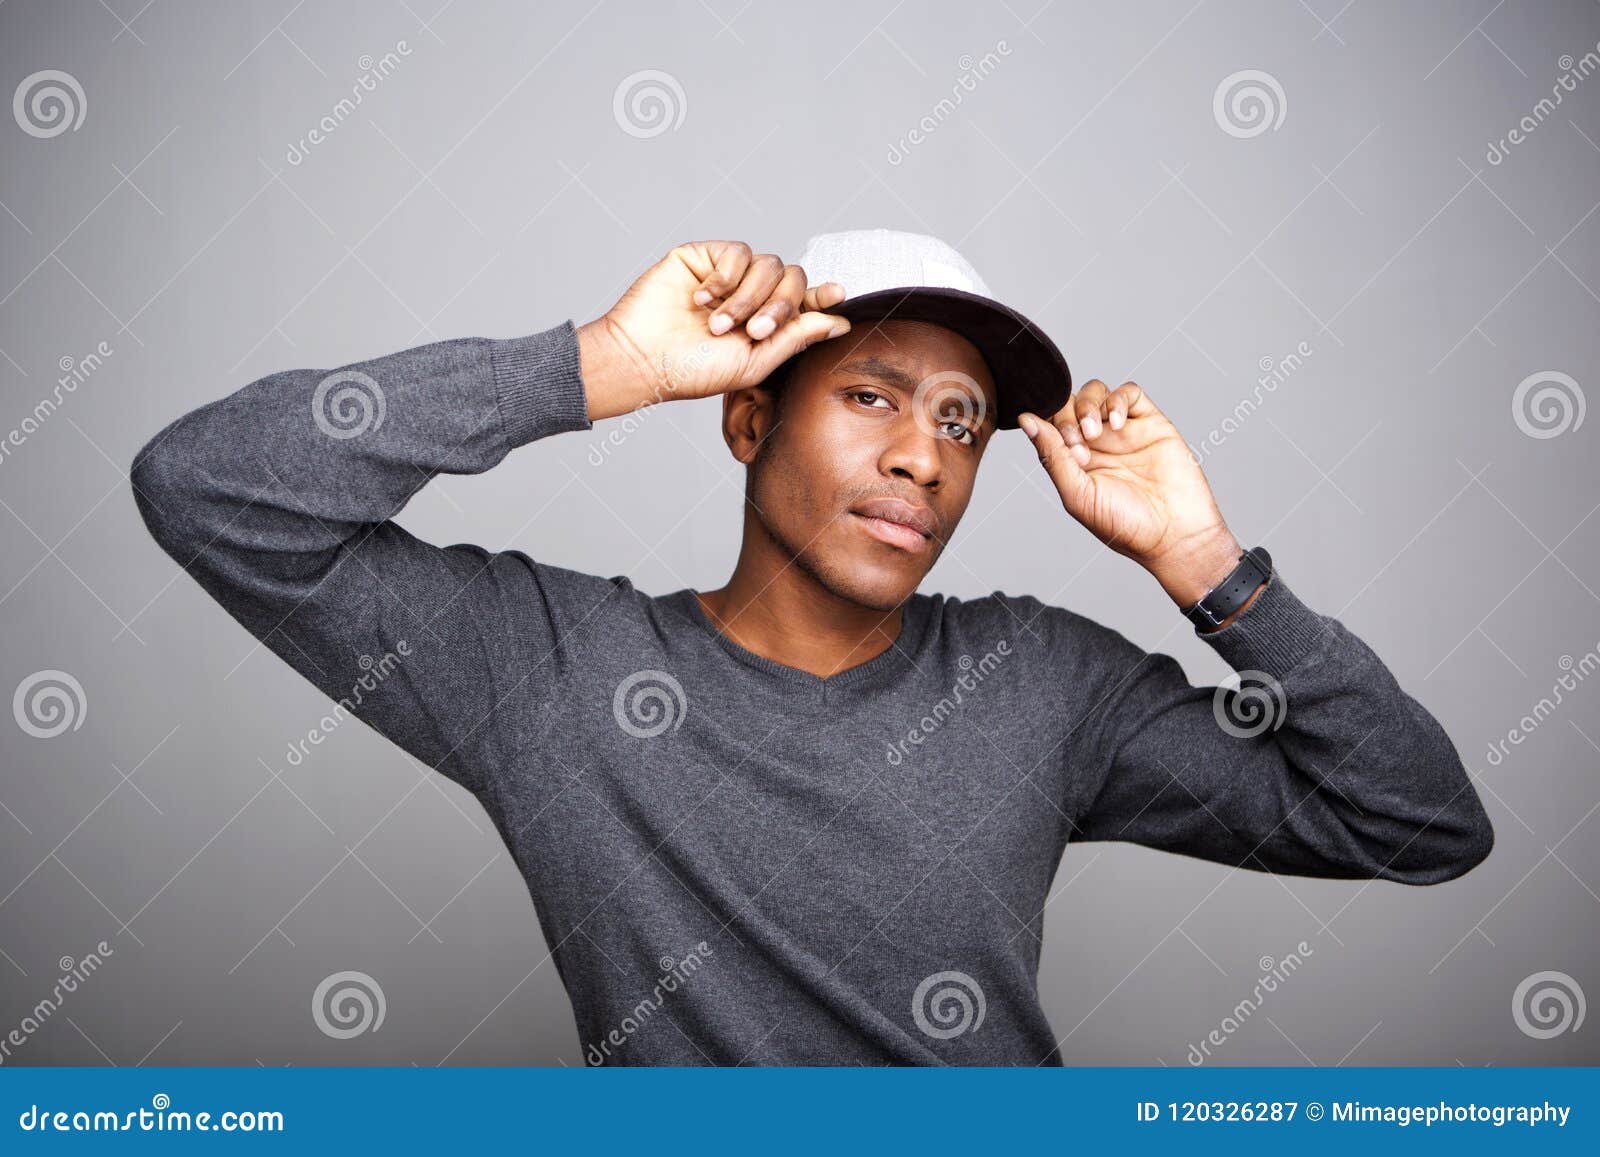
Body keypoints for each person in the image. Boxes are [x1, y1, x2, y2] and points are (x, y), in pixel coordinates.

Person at [130, 229, 1493, 1065]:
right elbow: (209, 485)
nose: (922, 455)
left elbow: (1419, 819)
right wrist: (599, 361)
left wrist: (1207, 567)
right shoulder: (553, 668)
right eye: (870, 394)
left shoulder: (1045, 684)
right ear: (746, 422)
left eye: (963, 424)